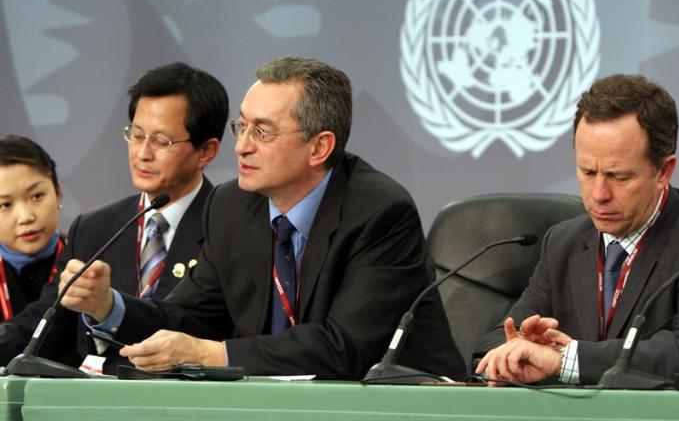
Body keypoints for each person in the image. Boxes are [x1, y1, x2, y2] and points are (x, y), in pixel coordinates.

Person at [60, 56, 465, 380]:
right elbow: (191, 318)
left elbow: (345, 348)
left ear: (319, 147)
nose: (242, 148)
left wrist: (212, 353)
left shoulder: (379, 212)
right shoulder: (231, 207)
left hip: (401, 405)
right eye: (242, 126)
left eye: (263, 132)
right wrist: (108, 307)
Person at [475, 74, 679, 385]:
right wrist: (518, 352)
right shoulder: (563, 242)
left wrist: (565, 359)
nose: (599, 193)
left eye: (619, 176)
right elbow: (489, 347)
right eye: (588, 171)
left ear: (663, 171)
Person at [0, 62, 229, 370]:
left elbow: (207, 327)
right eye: (136, 135)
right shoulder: (94, 228)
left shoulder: (230, 226)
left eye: (161, 141)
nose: (142, 153)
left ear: (207, 151)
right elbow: (49, 323)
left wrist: (109, 307)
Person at [0, 135, 63, 321]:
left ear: (58, 194)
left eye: (37, 196)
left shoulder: (86, 260)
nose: (26, 217)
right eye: (5, 205)